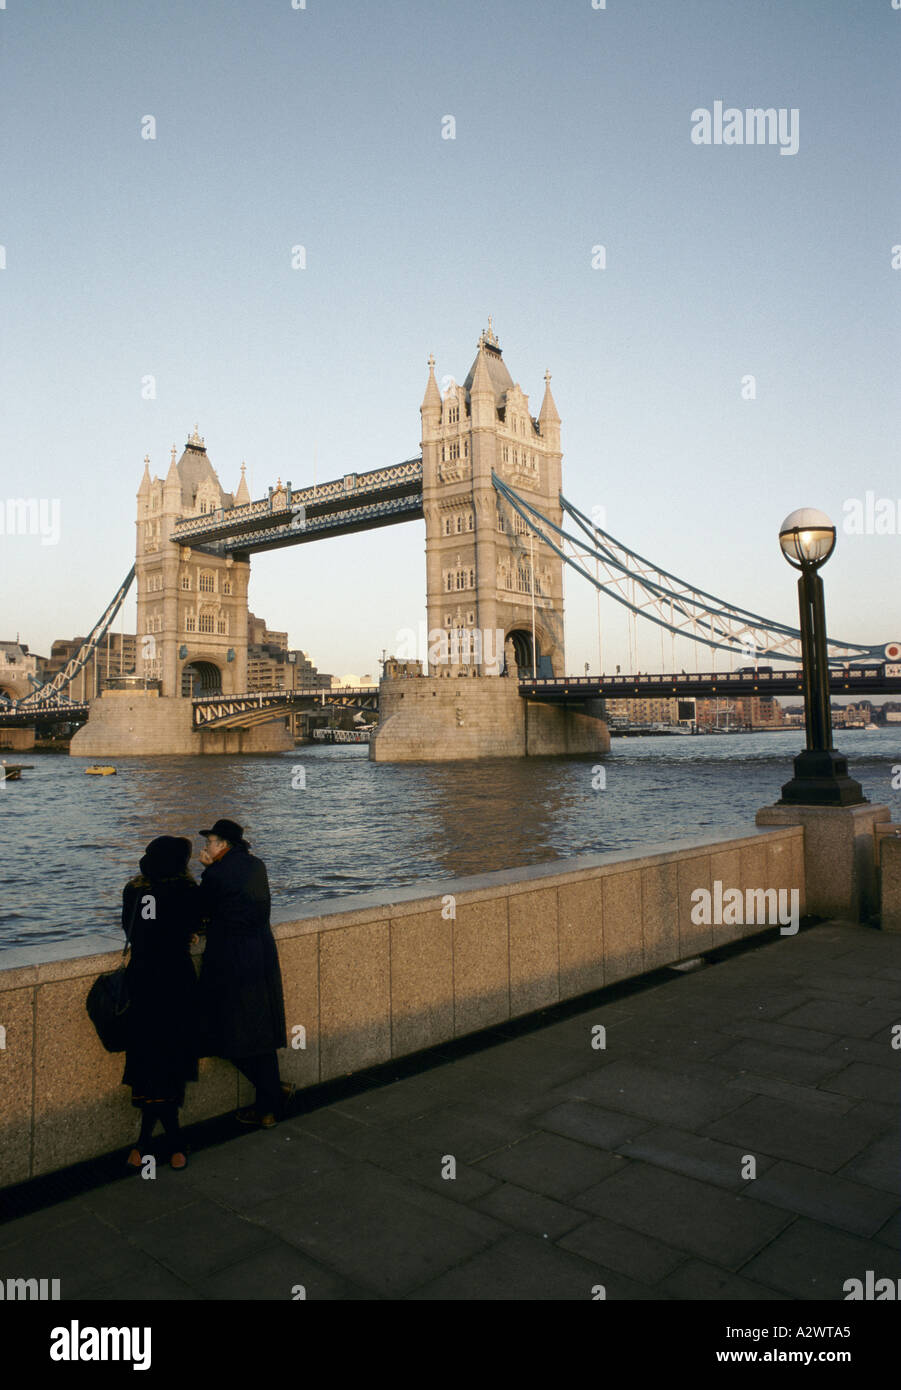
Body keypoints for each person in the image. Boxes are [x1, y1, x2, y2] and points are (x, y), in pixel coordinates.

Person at [196, 818, 289, 1128]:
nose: (205, 847)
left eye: (209, 842)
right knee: (260, 1032)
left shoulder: (217, 873)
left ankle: (270, 1100)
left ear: (223, 845)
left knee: (222, 1030)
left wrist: (207, 870)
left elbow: (202, 911)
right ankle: (270, 1104)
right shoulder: (257, 865)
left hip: (229, 960)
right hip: (261, 955)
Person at [121, 836, 201, 1171]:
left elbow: (131, 928)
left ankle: (143, 1147)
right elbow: (193, 927)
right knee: (171, 1060)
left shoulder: (133, 890)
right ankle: (174, 1145)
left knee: (148, 1060)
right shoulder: (186, 891)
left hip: (141, 983)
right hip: (175, 984)